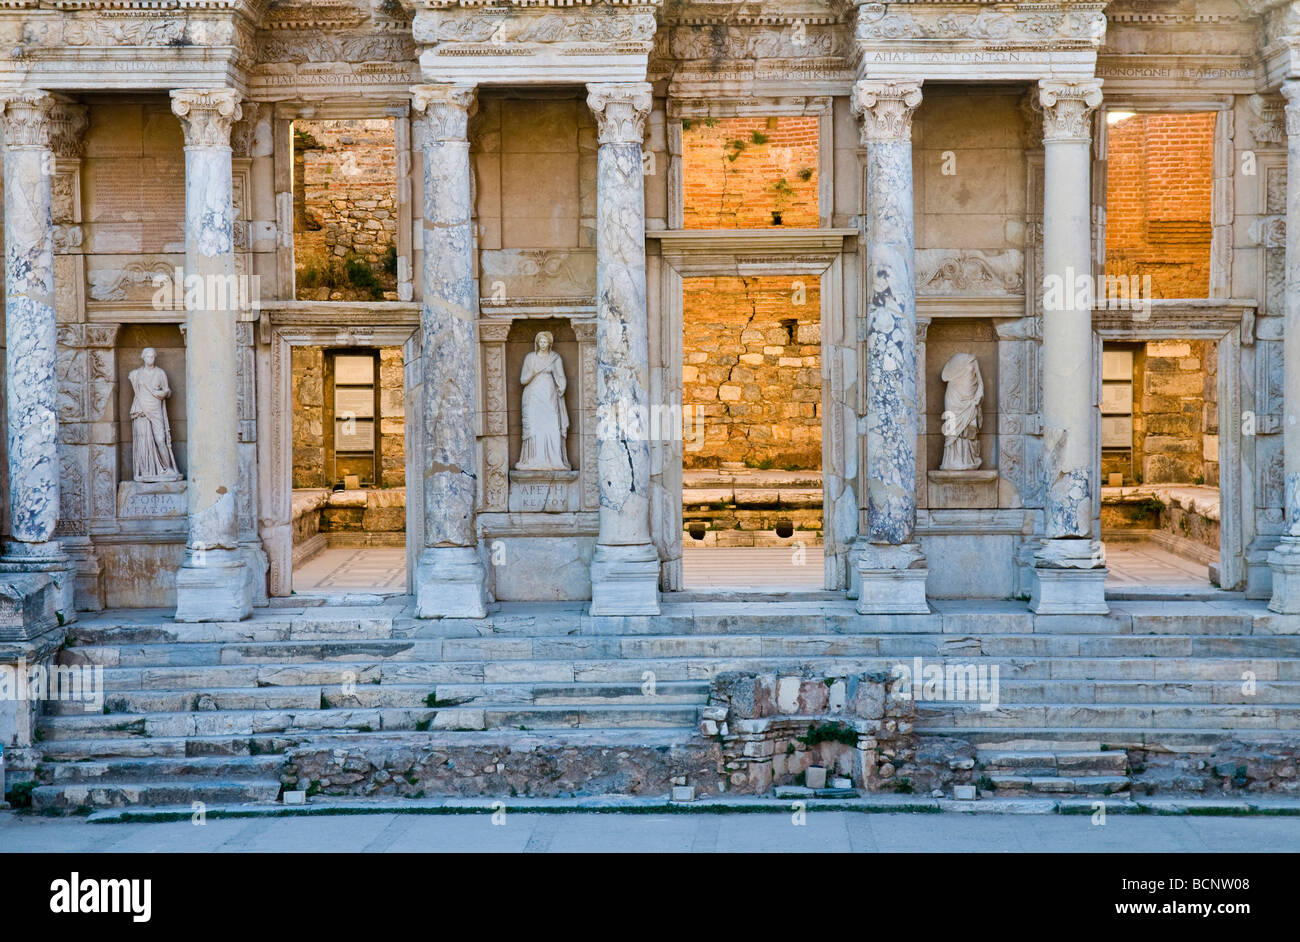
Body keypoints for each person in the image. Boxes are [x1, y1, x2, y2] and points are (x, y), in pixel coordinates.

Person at [517, 331, 570, 471]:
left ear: (549, 343)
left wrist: (562, 386)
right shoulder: (530, 358)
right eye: (540, 341)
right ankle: (533, 459)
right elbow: (523, 380)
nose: (543, 344)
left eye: (545, 342)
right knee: (534, 427)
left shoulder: (555, 358)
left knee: (552, 424)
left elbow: (561, 376)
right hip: (533, 395)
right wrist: (533, 372)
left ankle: (553, 460)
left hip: (549, 395)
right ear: (537, 343)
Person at [129, 347, 182, 482]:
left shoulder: (160, 373)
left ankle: (168, 468)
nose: (150, 359)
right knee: (144, 440)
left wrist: (162, 393)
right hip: (141, 408)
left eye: (152, 356)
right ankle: (146, 470)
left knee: (160, 439)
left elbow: (168, 391)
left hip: (155, 408)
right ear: (143, 357)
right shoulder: (136, 374)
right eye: (148, 356)